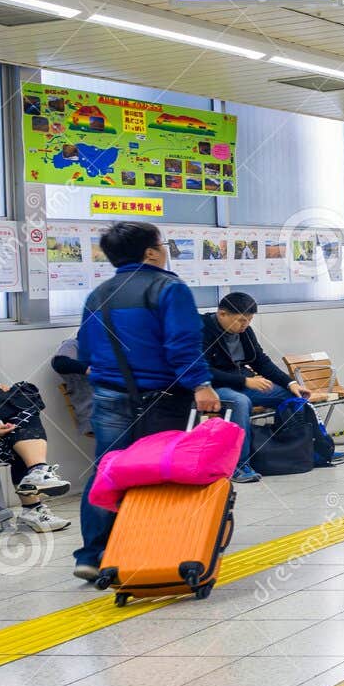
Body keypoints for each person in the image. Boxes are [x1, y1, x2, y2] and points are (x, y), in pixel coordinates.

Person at [72, 221, 221, 582]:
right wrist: (201, 384)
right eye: (162, 245)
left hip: (109, 396)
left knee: (108, 469)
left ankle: (92, 555)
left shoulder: (98, 295)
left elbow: (85, 349)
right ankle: (151, 551)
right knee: (160, 472)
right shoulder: (168, 288)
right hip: (162, 398)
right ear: (151, 253)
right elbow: (182, 344)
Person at [202, 292, 341, 483]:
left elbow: (261, 362)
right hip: (211, 388)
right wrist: (244, 381)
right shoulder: (201, 330)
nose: (245, 325)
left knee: (292, 398)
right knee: (240, 402)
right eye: (241, 320)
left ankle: (313, 449)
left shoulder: (245, 332)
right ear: (222, 314)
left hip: (243, 382)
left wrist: (290, 383)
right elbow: (202, 369)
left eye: (249, 320)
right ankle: (239, 465)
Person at [0, 314, 71, 532]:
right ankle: (34, 497)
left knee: (20, 407)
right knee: (22, 403)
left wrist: (0, 393)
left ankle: (37, 473)